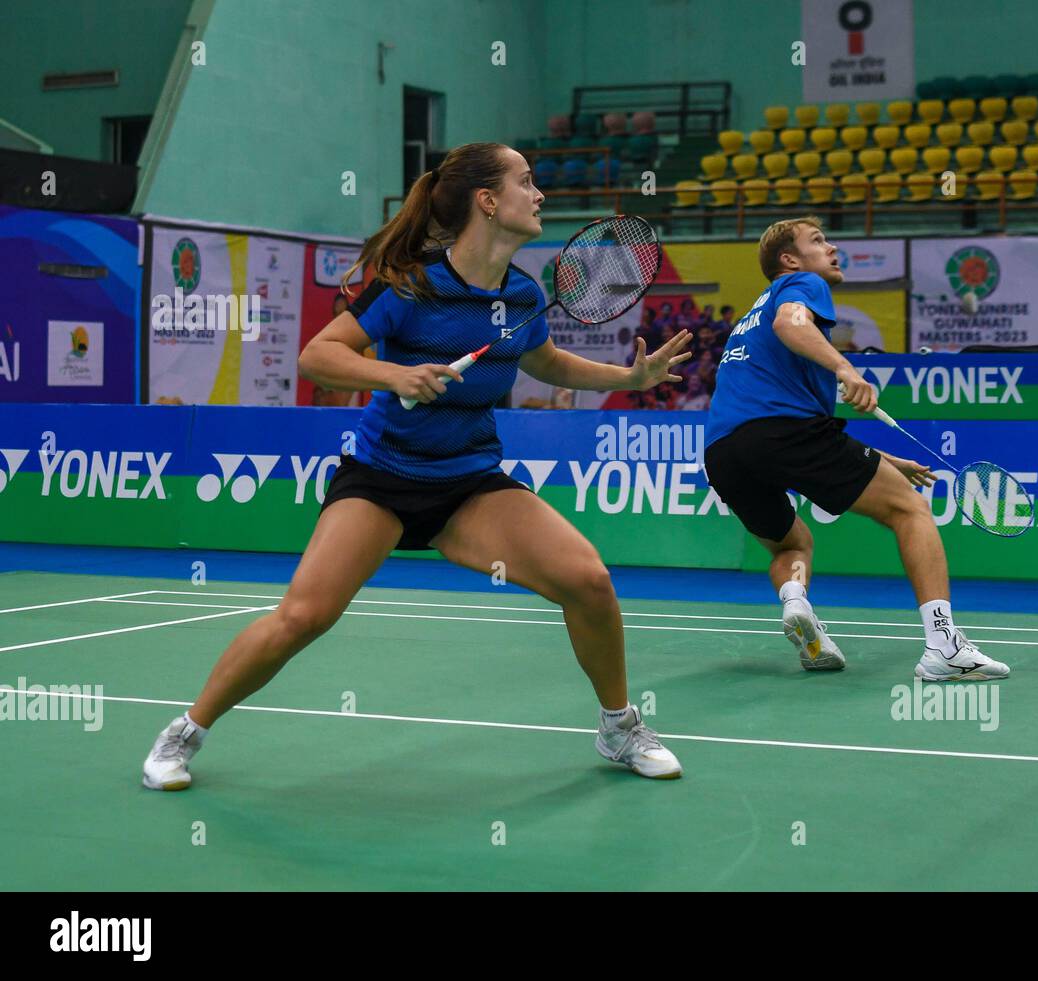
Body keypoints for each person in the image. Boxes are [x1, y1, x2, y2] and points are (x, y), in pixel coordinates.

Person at [141, 142, 694, 789]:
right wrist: (397, 372)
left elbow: (547, 363)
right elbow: (320, 354)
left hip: (468, 484)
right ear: (488, 201)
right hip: (382, 478)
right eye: (526, 181)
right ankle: (184, 732)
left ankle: (619, 725)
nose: (539, 194)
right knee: (305, 616)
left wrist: (629, 373)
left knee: (590, 580)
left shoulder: (519, 296)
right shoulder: (412, 284)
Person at [703, 217, 1009, 680]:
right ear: (789, 260)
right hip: (783, 433)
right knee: (910, 511)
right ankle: (944, 648)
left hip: (723, 451)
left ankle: (796, 601)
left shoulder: (752, 315)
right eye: (818, 241)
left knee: (793, 542)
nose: (832, 248)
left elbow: (789, 426)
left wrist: (885, 461)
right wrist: (847, 369)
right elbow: (793, 325)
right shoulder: (800, 286)